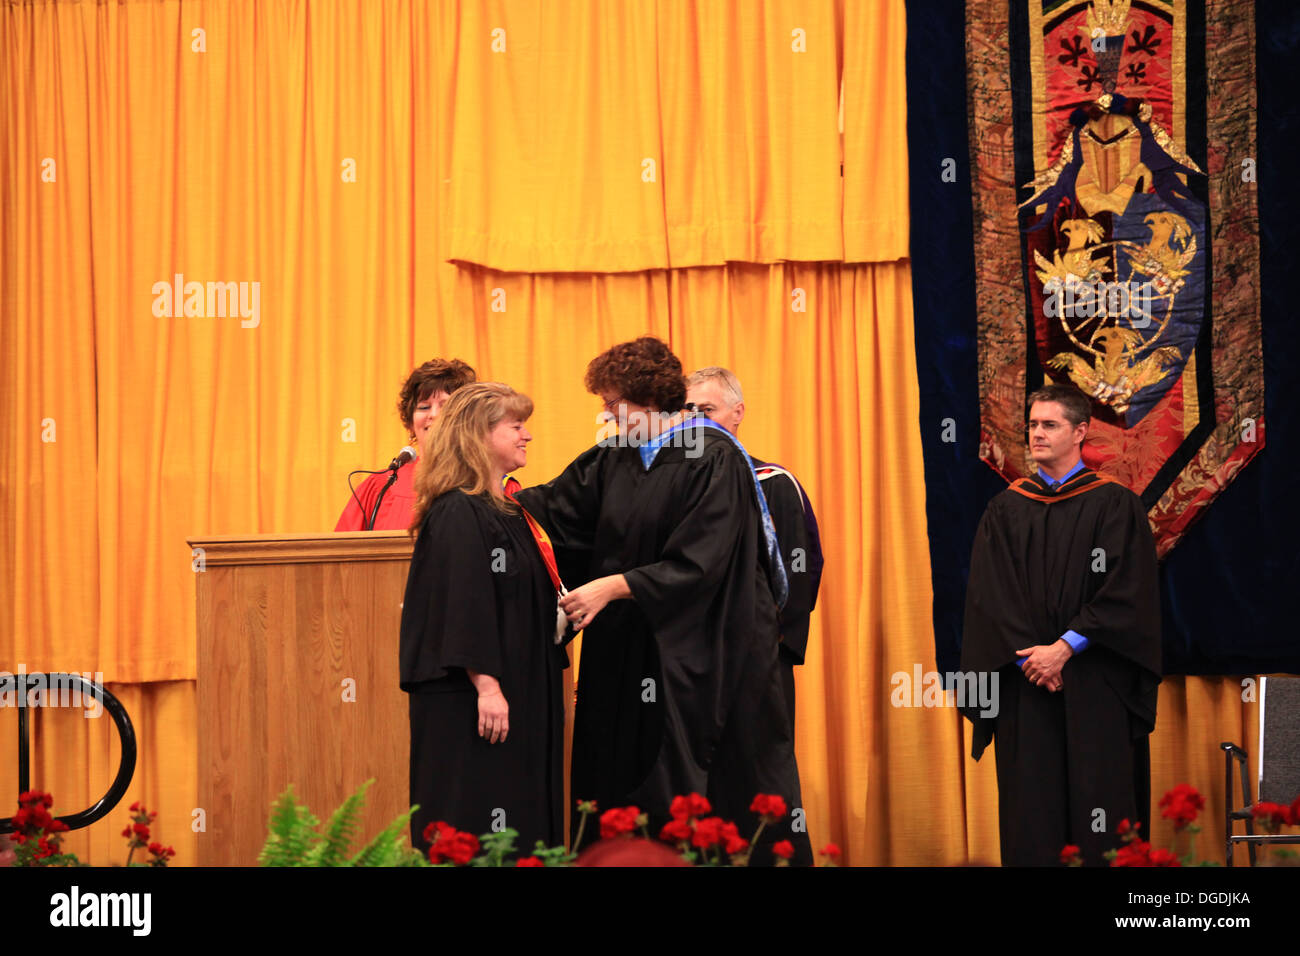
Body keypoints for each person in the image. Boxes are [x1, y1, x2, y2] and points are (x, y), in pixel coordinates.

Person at [515, 337, 812, 865]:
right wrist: (476, 496)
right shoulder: (615, 457)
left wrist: (611, 587)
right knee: (622, 788)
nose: (606, 415)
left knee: (706, 794)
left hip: (706, 659)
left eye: (613, 404)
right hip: (630, 654)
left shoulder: (713, 455)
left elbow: (703, 561)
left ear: (647, 399)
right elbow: (552, 513)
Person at [959, 383, 1161, 866]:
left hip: (1096, 680)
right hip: (1027, 683)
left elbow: (1127, 591)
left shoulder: (1114, 503)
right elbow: (991, 596)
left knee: (1101, 812)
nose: (1037, 434)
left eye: (1050, 425)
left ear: (1081, 432)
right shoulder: (1007, 508)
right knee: (1033, 812)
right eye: (1032, 425)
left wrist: (1065, 648)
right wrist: (1035, 655)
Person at [399, 382, 568, 857]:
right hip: (476, 703)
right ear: (479, 435)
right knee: (480, 828)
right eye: (516, 426)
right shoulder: (457, 511)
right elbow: (463, 604)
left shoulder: (508, 511)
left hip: (518, 693)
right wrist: (488, 686)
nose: (528, 435)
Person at [685, 366, 823, 734]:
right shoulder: (674, 491)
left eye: (707, 409)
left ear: (738, 412)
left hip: (757, 661)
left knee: (760, 777)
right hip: (689, 665)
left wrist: (770, 646)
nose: (697, 421)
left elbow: (801, 570)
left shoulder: (773, 485)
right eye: (689, 410)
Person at [335, 358, 476, 530]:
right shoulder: (379, 487)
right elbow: (341, 553)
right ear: (410, 424)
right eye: (424, 407)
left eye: (446, 406)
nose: (434, 415)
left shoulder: (491, 485)